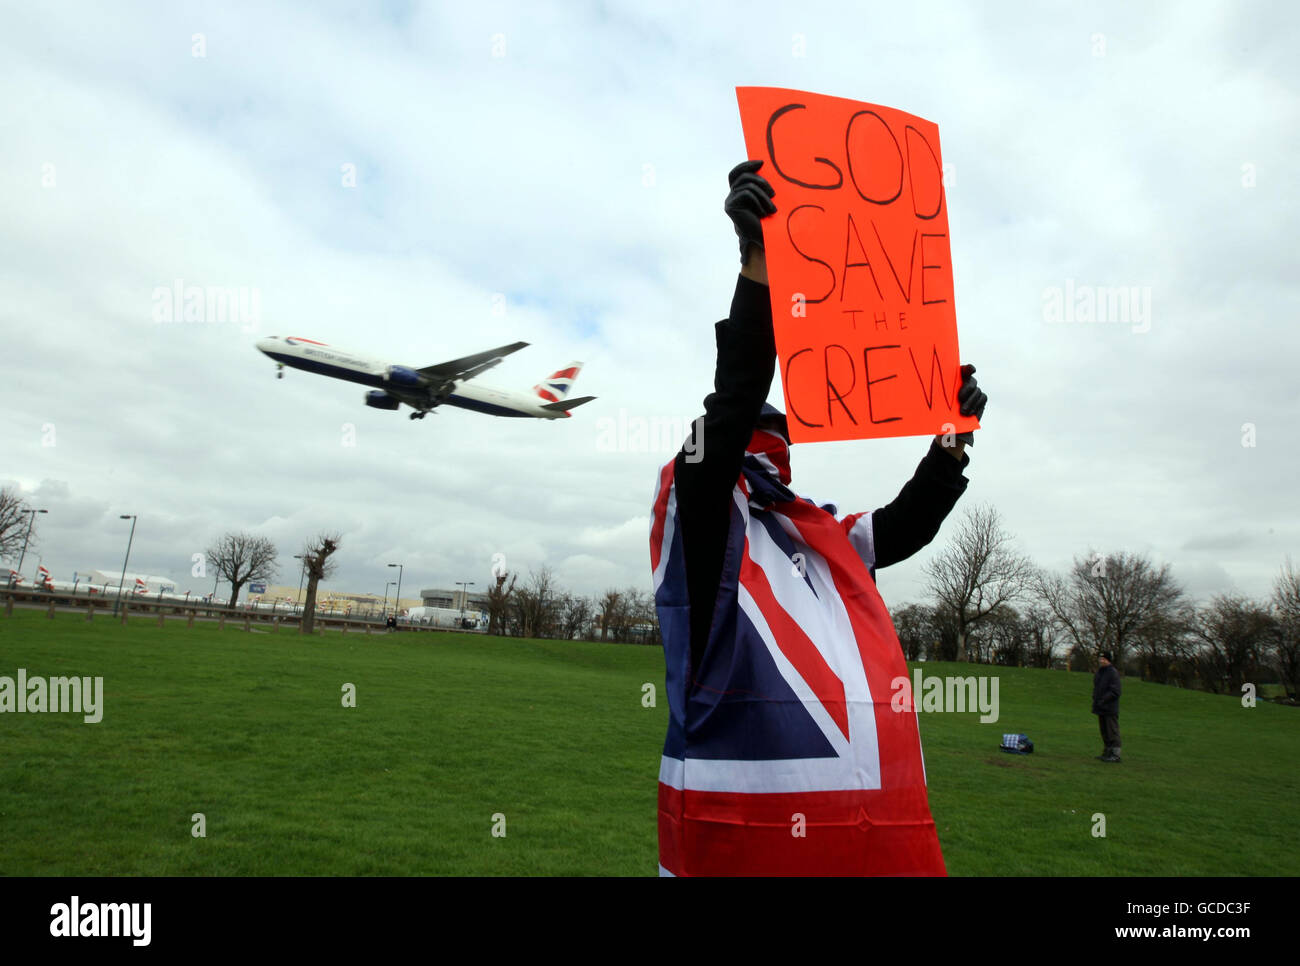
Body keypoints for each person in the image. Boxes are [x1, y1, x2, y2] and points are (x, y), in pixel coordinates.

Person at [648, 161, 987, 876]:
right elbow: (731, 406)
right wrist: (760, 269)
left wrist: (952, 443)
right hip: (738, 841)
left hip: (859, 835)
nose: (781, 448)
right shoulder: (706, 519)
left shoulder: (815, 532)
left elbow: (903, 527)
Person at [1092, 651, 1122, 762]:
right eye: (1100, 659)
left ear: (1108, 660)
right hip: (1101, 707)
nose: (1101, 661)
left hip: (1110, 708)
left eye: (1104, 659)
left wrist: (1104, 699)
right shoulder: (1100, 672)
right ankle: (1107, 752)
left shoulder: (1113, 673)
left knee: (1112, 731)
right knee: (1104, 731)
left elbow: (1116, 691)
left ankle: (1116, 754)